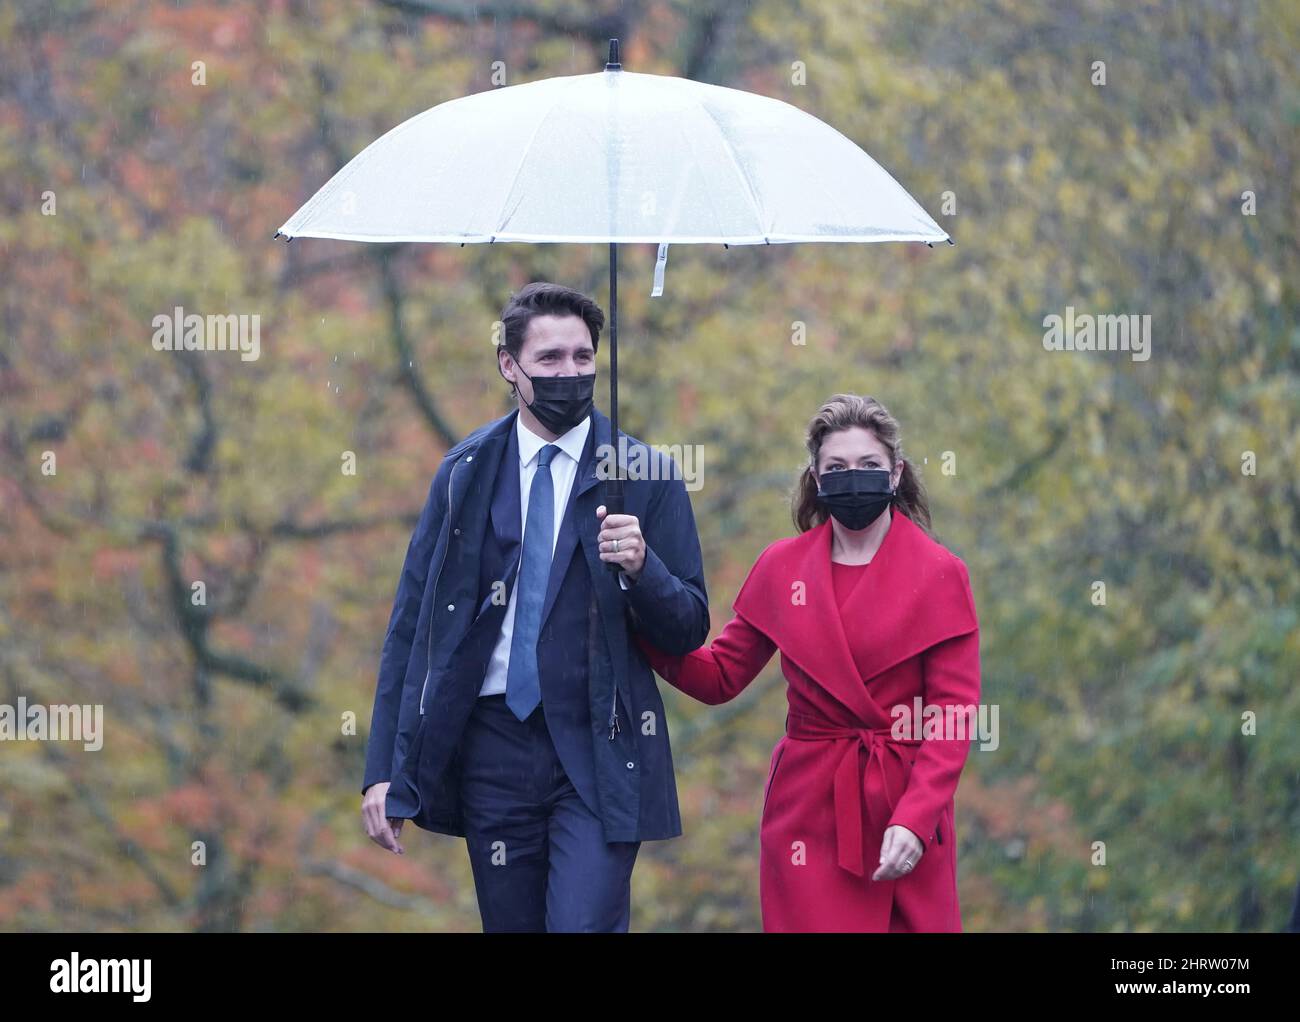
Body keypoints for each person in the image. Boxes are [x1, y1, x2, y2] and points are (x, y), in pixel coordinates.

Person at [361, 281, 709, 931]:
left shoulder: (644, 474)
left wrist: (642, 567)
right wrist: (384, 766)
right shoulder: (465, 472)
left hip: (599, 751)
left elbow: (689, 625)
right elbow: (411, 627)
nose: (569, 373)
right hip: (491, 748)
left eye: (583, 358)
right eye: (550, 359)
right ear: (509, 365)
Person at [636, 393, 980, 932]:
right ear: (816, 480)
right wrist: (641, 599)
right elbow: (720, 676)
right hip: (807, 812)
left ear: (896, 474)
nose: (853, 477)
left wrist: (916, 820)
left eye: (869, 465)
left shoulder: (941, 573)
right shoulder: (781, 568)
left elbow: (953, 717)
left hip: (904, 806)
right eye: (836, 468)